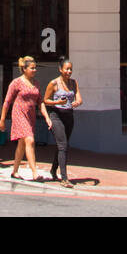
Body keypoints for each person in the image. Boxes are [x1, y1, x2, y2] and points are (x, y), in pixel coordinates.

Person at [0, 56, 52, 181]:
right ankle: (35, 173)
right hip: (19, 115)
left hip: (30, 116)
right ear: (24, 69)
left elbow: (40, 102)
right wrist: (2, 119)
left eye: (35, 68)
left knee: (22, 144)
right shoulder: (16, 83)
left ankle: (15, 171)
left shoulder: (36, 83)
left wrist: (47, 117)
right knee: (30, 140)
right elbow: (7, 101)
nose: (34, 70)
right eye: (32, 68)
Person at [42, 58, 82, 187]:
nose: (69, 71)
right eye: (66, 69)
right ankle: (64, 178)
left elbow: (79, 98)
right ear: (60, 69)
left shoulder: (73, 83)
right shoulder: (53, 83)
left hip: (69, 116)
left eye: (71, 69)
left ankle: (53, 170)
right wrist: (57, 102)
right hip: (56, 115)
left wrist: (77, 102)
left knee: (63, 146)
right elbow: (45, 100)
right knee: (62, 146)